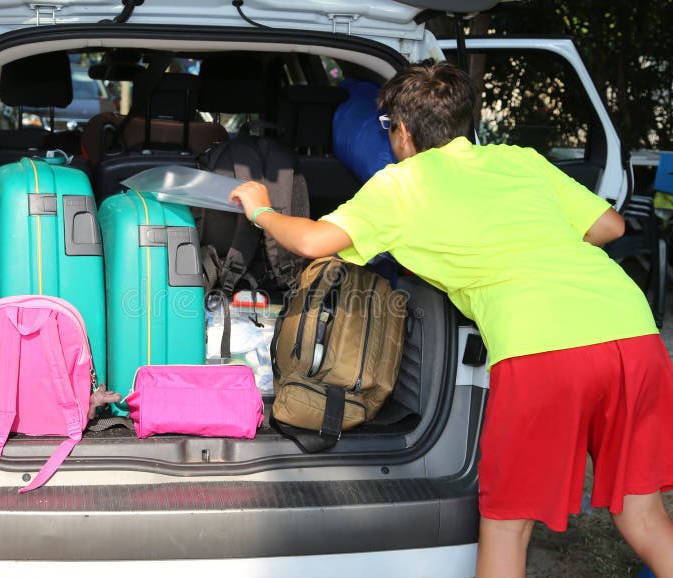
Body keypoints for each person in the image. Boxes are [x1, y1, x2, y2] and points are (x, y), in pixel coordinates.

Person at [228, 59, 673, 578]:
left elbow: (308, 241)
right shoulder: (518, 159)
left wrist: (259, 206)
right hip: (633, 333)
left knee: (507, 524)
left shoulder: (402, 186)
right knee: (642, 513)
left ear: (403, 132)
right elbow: (611, 226)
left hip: (542, 350)